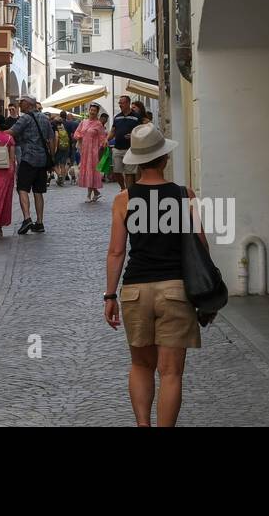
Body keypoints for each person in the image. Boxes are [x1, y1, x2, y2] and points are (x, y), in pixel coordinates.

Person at [104, 124, 202, 426]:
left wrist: (110, 296)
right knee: (171, 373)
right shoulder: (184, 195)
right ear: (164, 159)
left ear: (137, 160)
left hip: (135, 290)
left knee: (141, 366)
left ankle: (143, 424)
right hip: (175, 289)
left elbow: (117, 252)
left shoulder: (124, 199)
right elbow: (201, 246)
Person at [8, 95, 54, 234]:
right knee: (38, 192)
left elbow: (12, 132)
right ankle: (39, 222)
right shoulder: (45, 119)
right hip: (42, 160)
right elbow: (51, 139)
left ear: (28, 104)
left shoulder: (25, 118)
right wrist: (50, 158)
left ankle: (27, 218)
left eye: (21, 103)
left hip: (28, 158)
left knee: (22, 188)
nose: (20, 105)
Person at [74, 103, 109, 202]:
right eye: (91, 110)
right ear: (88, 111)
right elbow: (76, 133)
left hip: (94, 152)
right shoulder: (83, 122)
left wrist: (103, 147)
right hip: (85, 151)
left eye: (94, 110)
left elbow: (103, 138)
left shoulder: (98, 124)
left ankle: (89, 195)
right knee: (88, 171)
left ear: (97, 112)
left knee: (92, 172)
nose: (92, 112)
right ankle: (96, 192)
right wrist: (79, 136)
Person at [109, 95, 140, 189]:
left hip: (130, 149)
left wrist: (133, 135)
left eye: (121, 103)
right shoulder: (117, 117)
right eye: (119, 103)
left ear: (127, 103)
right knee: (116, 171)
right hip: (117, 148)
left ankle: (128, 192)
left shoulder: (136, 117)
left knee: (129, 173)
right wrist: (106, 139)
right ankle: (123, 187)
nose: (120, 105)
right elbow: (113, 131)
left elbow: (140, 131)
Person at [52, 117, 72, 186]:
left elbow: (56, 136)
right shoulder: (64, 127)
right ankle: (62, 181)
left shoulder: (55, 128)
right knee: (63, 165)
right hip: (66, 148)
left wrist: (55, 148)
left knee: (53, 164)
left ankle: (59, 175)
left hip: (58, 148)